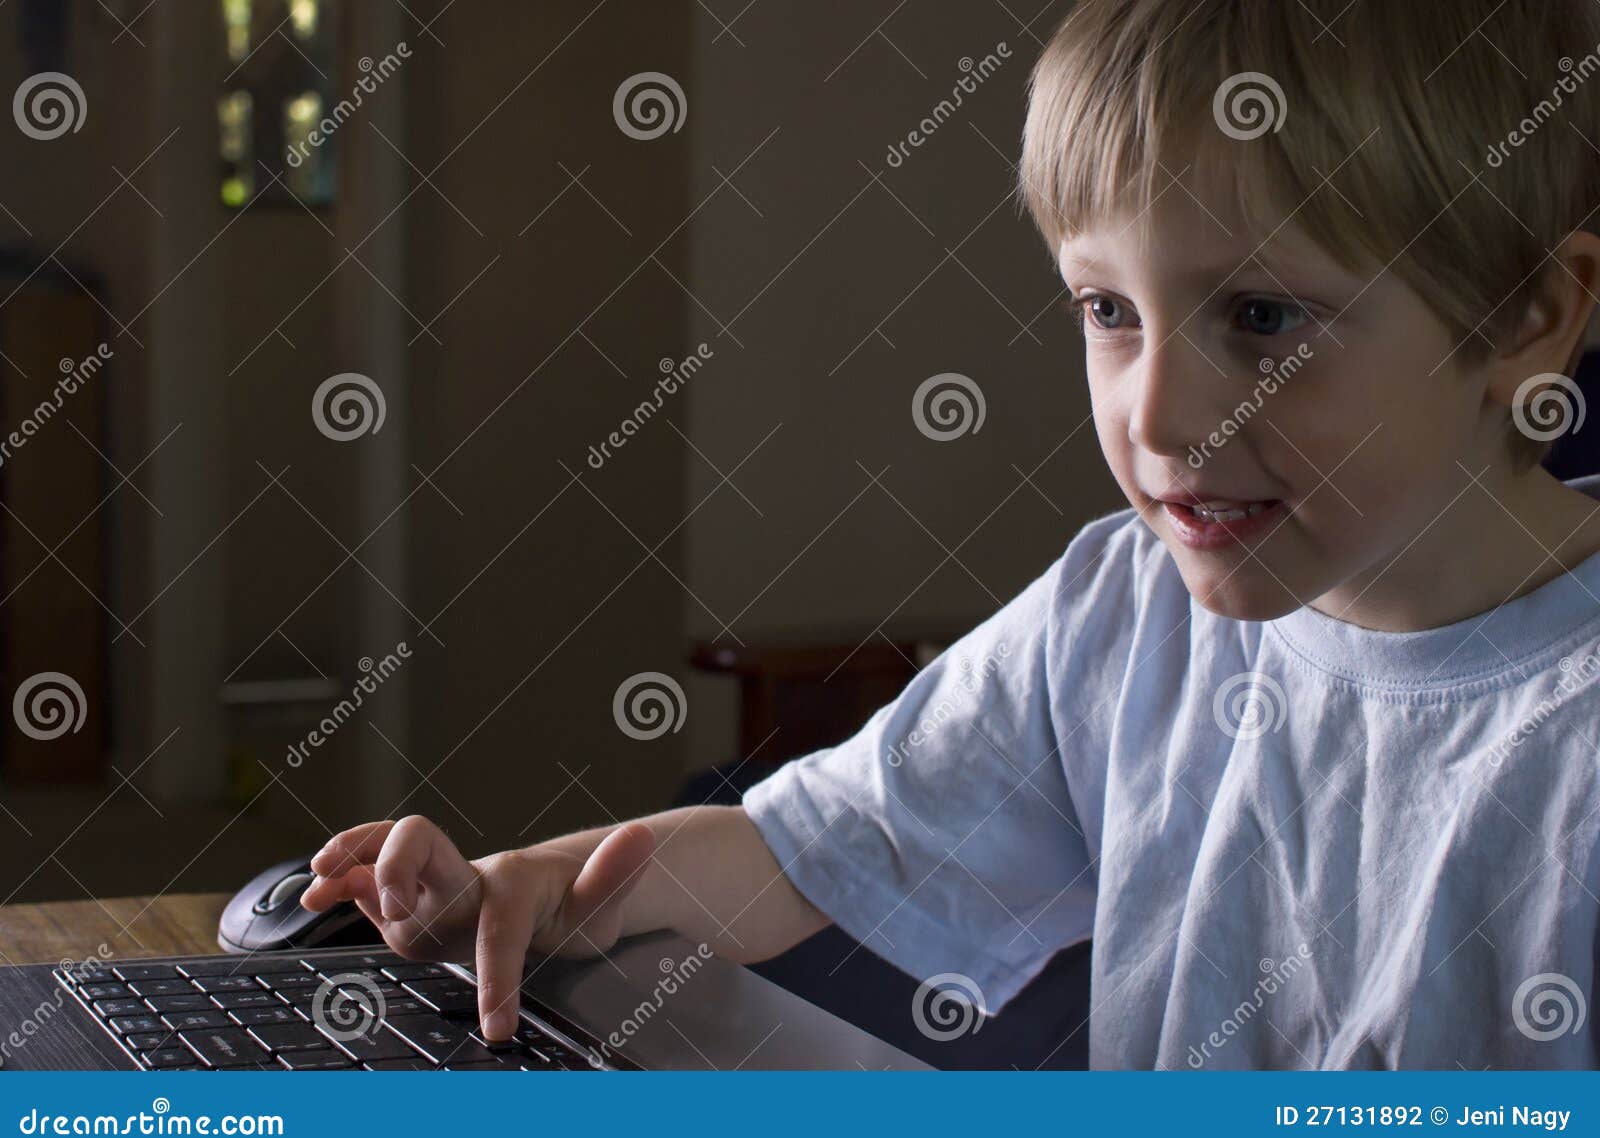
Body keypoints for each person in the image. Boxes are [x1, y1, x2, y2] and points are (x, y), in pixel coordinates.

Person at [303, 0, 1600, 1067]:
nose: (1156, 413)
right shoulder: (1122, 608)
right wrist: (526, 889)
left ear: (1529, 315)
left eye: (1263, 317)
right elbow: (816, 849)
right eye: (1107, 310)